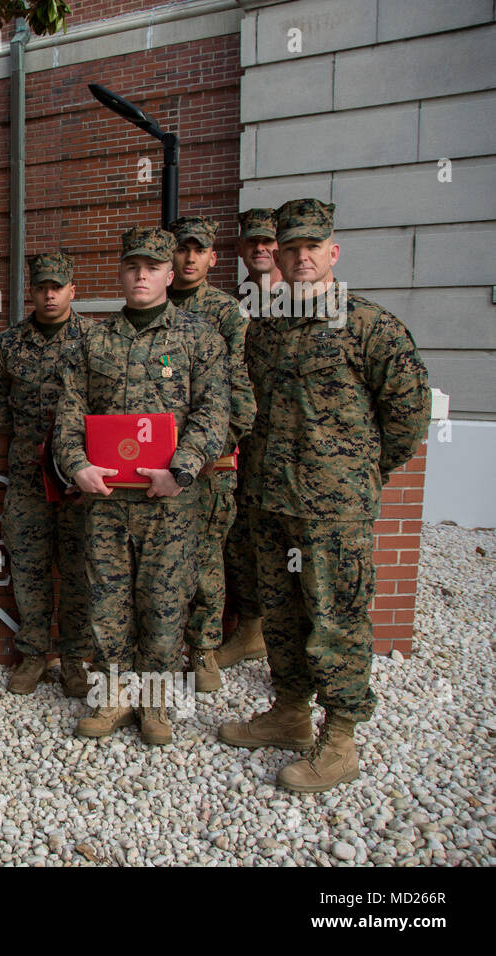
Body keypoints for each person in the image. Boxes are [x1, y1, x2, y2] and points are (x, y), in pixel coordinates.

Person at [218, 199, 430, 792]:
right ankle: (289, 713)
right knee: (282, 616)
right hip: (267, 501)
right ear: (278, 257)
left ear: (333, 253)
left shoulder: (368, 325)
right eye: (291, 248)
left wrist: (360, 473)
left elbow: (407, 415)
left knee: (335, 618)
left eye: (314, 247)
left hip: (332, 510)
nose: (302, 256)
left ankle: (339, 740)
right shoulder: (263, 327)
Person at [52, 227, 228, 745]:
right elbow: (68, 412)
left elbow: (214, 412)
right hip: (106, 500)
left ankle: (153, 703)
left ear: (170, 275)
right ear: (120, 274)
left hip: (168, 499)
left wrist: (182, 470)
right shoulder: (91, 338)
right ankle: (114, 696)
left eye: (152, 267)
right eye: (132, 267)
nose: (141, 276)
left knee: (164, 600)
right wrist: (76, 464)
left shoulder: (199, 337)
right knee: (107, 599)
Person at [0, 250, 95, 697]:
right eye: (42, 286)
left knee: (79, 567)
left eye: (58, 286)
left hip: (81, 478)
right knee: (27, 565)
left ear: (72, 289)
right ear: (33, 290)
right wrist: (30, 436)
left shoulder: (95, 341)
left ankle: (73, 659)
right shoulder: (7, 345)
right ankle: (32, 654)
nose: (50, 294)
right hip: (29, 476)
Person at [167, 216, 256, 691]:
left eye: (198, 250)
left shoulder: (224, 314)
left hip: (209, 465)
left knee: (205, 556)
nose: (189, 258)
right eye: (182, 249)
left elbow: (239, 396)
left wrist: (205, 453)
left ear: (213, 258)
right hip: (156, 462)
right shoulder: (148, 308)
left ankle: (202, 649)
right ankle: (159, 647)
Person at [219, 207, 281, 670]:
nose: (260, 249)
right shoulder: (235, 304)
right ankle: (251, 631)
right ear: (240, 250)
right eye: (252, 242)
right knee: (241, 539)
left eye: (269, 242)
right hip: (244, 440)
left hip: (289, 443)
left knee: (289, 547)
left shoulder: (305, 299)